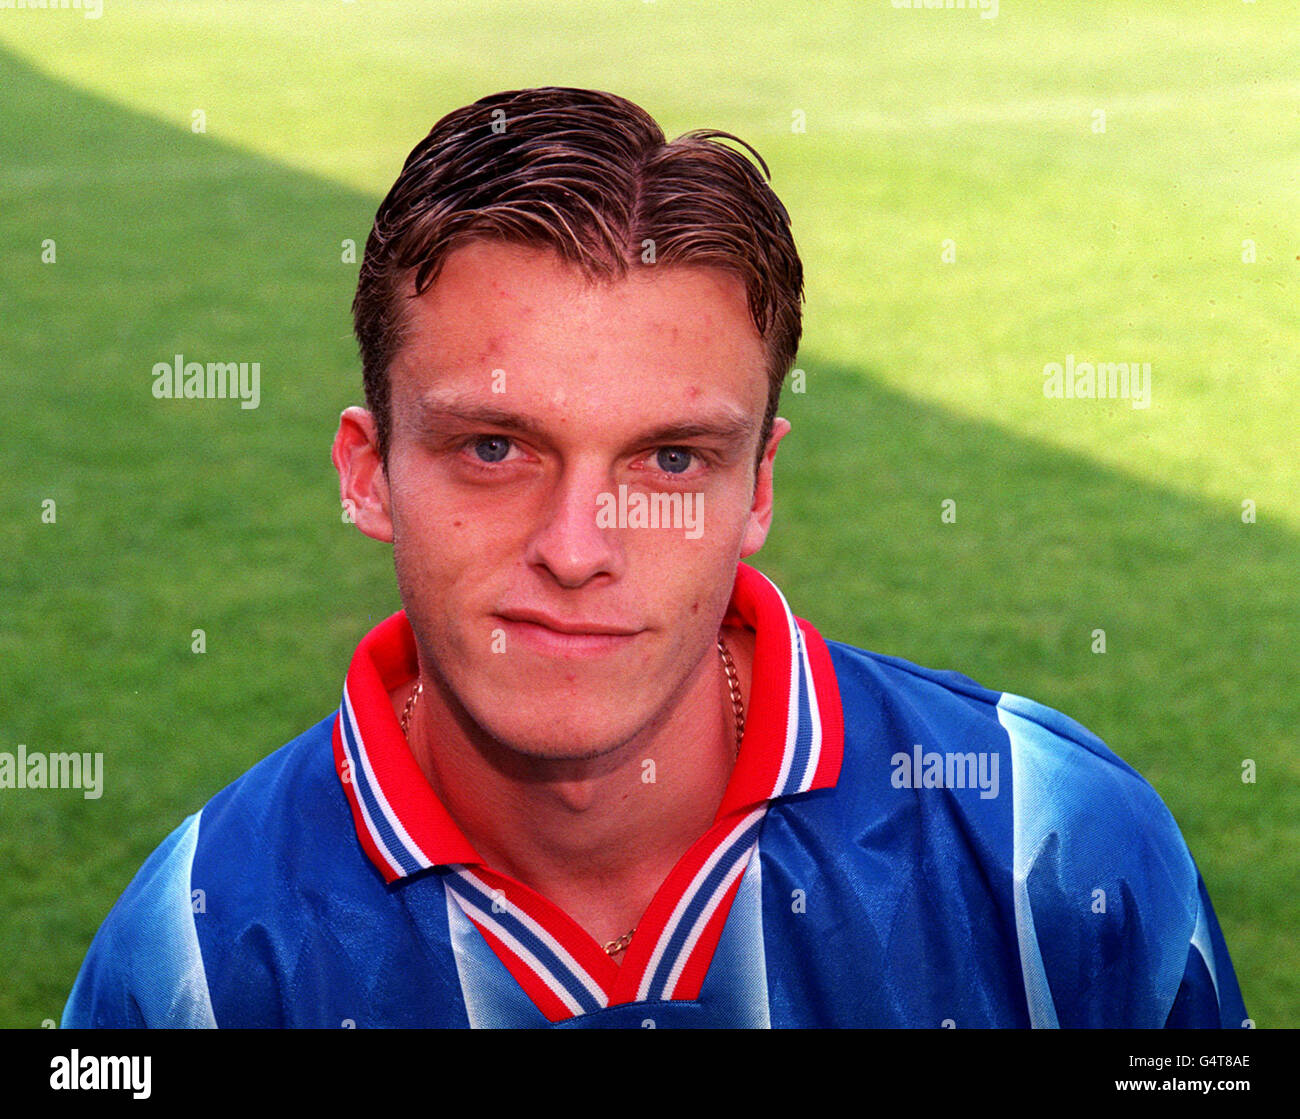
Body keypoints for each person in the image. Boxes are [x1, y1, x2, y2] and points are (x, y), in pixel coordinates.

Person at [63, 87, 1247, 1028]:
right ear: (367, 473)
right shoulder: (195, 955)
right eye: (493, 446)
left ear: (758, 489)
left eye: (671, 460)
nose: (577, 550)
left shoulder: (1049, 839)